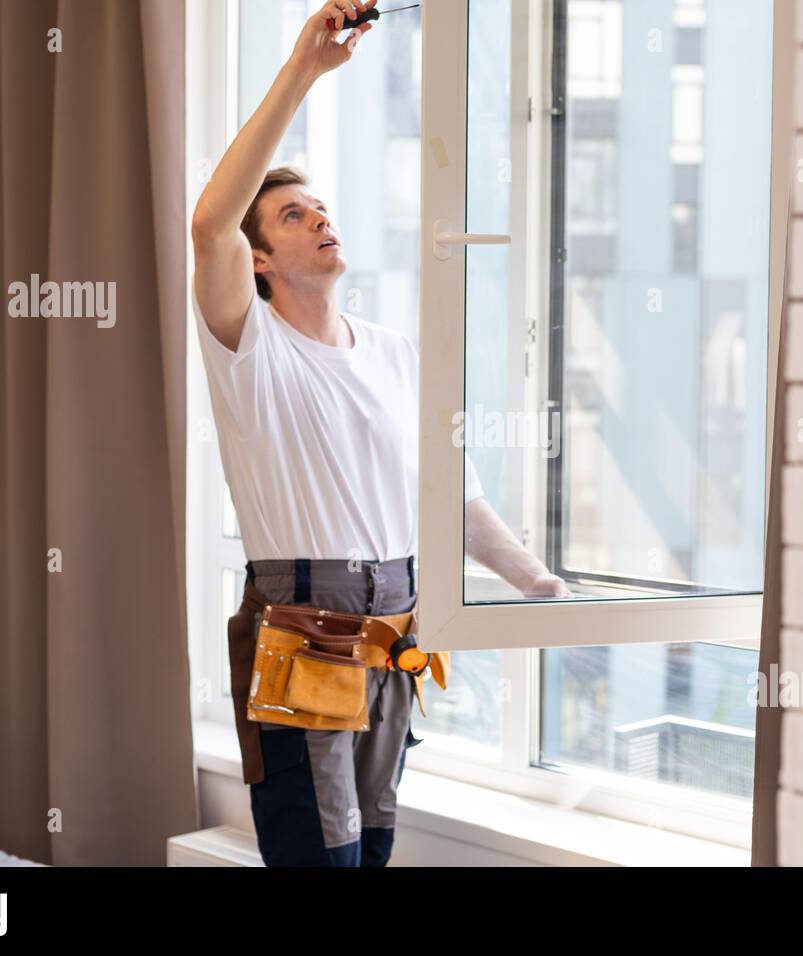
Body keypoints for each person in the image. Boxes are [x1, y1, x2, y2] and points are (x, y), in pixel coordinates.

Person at [190, 0, 570, 867]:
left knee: (375, 851)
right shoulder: (250, 346)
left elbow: (455, 498)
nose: (320, 219)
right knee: (322, 859)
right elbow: (209, 222)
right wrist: (304, 71)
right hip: (303, 637)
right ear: (258, 260)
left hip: (394, 637)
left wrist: (539, 585)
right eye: (292, 217)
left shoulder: (396, 353)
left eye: (322, 208)